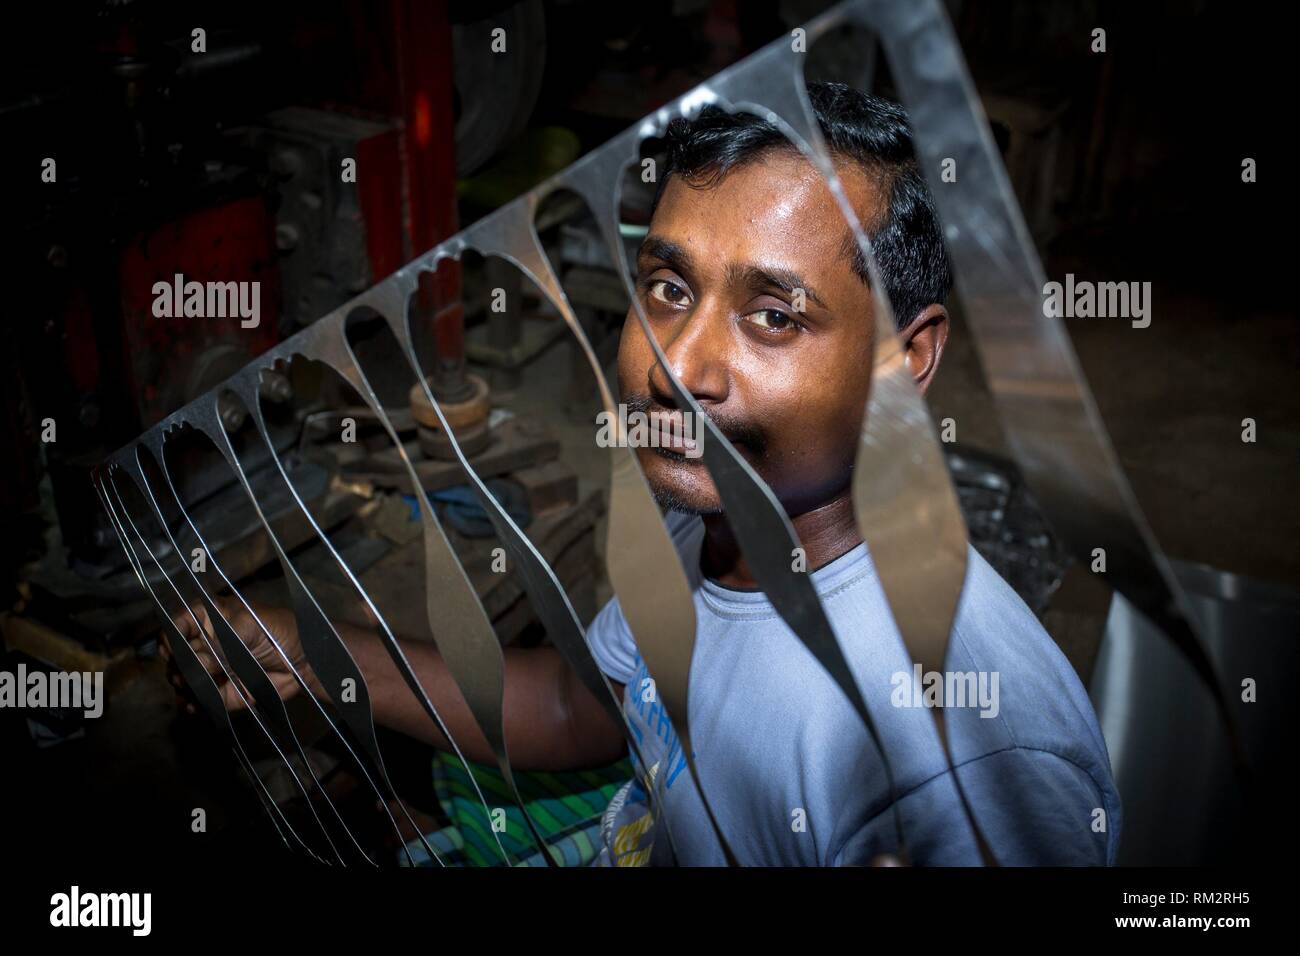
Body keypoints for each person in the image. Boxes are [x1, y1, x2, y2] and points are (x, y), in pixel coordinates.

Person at [170, 82, 1120, 867]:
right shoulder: (713, 517)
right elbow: (578, 708)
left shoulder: (957, 762)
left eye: (774, 316)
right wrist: (317, 651)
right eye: (668, 288)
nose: (677, 367)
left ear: (907, 360)